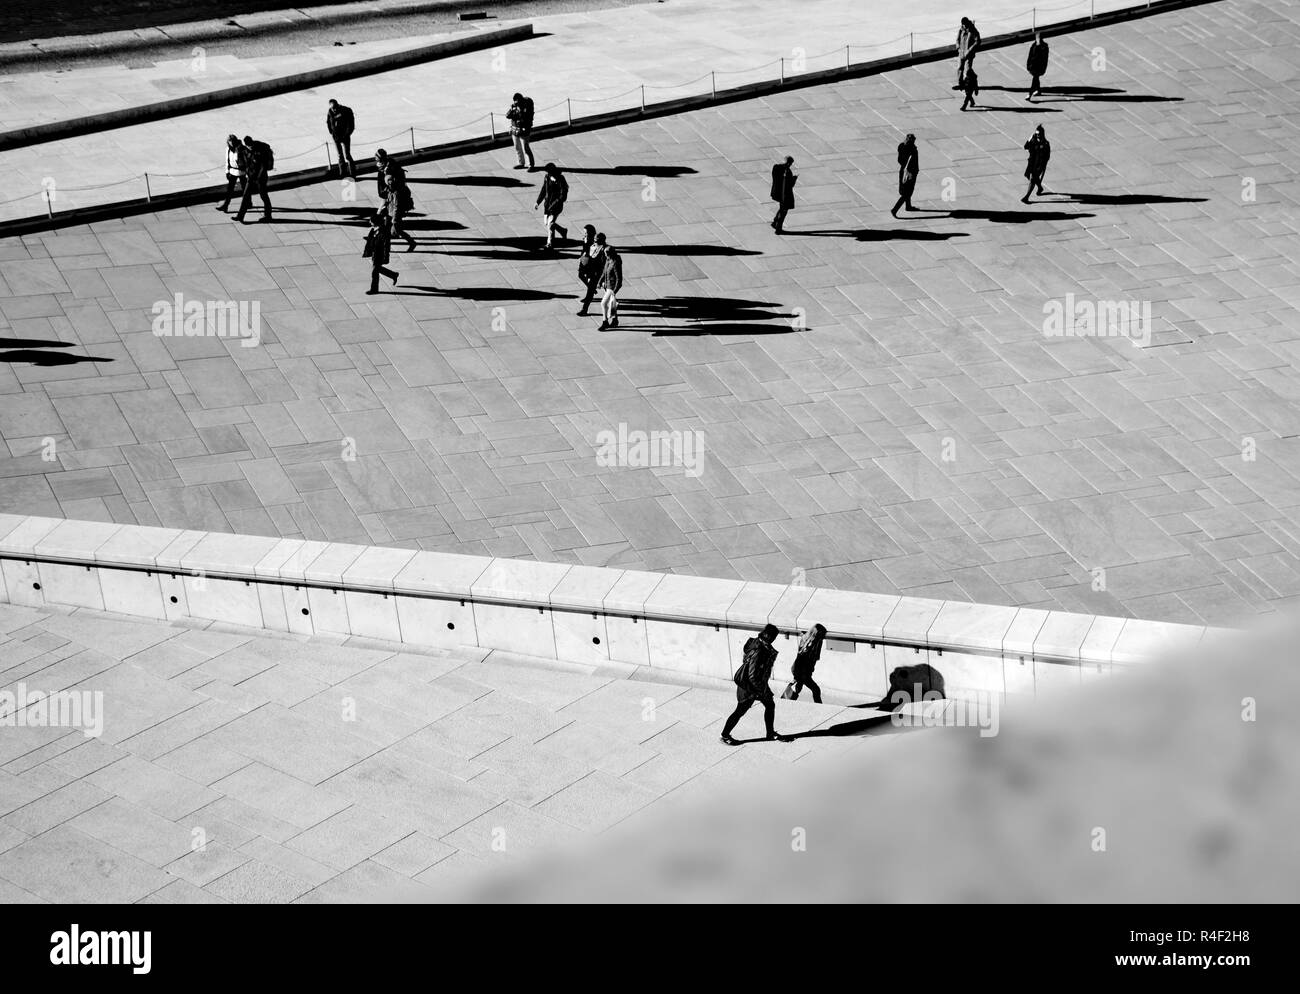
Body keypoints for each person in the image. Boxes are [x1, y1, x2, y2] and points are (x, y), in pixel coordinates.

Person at [721, 623, 789, 745]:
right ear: (768, 635)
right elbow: (752, 675)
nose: (774, 640)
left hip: (757, 684)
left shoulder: (758, 643)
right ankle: (725, 735)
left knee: (770, 705)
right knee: (740, 711)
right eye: (773, 637)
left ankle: (770, 733)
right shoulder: (759, 650)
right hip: (749, 687)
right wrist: (762, 690)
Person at [782, 624, 827, 704]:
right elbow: (802, 660)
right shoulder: (810, 646)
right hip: (803, 673)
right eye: (822, 635)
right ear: (817, 634)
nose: (823, 637)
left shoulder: (808, 642)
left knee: (797, 688)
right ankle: (819, 705)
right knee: (815, 689)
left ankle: (785, 701)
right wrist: (798, 675)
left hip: (801, 671)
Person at [235, 135, 274, 223]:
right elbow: (245, 163)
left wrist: (258, 178)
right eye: (248, 146)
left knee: (263, 196)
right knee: (245, 196)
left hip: (261, 178)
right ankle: (240, 216)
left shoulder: (260, 151)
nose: (250, 147)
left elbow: (263, 167)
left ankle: (268, 216)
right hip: (251, 177)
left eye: (251, 145)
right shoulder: (246, 150)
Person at [534, 163, 570, 249]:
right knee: (547, 223)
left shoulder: (561, 180)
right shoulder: (547, 177)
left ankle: (550, 243)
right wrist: (538, 202)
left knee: (550, 224)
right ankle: (562, 230)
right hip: (547, 204)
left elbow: (563, 196)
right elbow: (543, 190)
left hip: (556, 206)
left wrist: (555, 203)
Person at [363, 212, 399, 295]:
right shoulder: (374, 230)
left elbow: (387, 246)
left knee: (375, 271)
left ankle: (374, 289)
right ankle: (393, 275)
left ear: (375, 222)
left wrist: (386, 257)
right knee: (377, 269)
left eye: (371, 221)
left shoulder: (384, 232)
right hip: (374, 253)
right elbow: (371, 239)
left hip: (380, 254)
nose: (369, 222)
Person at [384, 162, 417, 252]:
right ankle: (387, 245)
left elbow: (397, 207)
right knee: (391, 231)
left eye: (389, 182)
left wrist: (394, 219)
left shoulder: (396, 193)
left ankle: (411, 242)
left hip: (394, 215)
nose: (388, 184)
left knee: (397, 231)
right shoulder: (391, 190)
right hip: (390, 213)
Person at [577, 226, 604, 316]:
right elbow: (587, 253)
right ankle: (591, 294)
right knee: (581, 276)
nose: (584, 234)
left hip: (596, 271)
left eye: (586, 233)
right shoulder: (592, 244)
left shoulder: (602, 249)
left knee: (590, 290)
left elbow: (591, 255)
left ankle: (584, 309)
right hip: (588, 266)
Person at [326, 99, 357, 179]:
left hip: (345, 136)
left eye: (335, 107)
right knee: (340, 156)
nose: (334, 110)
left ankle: (352, 174)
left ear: (338, 105)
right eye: (333, 108)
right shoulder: (330, 112)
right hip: (336, 137)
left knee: (347, 155)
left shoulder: (345, 110)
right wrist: (332, 132)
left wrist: (347, 134)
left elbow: (351, 124)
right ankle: (343, 174)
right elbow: (328, 122)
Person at [891, 134, 919, 217]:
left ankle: (908, 206)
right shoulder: (912, 149)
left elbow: (899, 160)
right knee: (907, 193)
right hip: (910, 173)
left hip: (903, 171)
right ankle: (894, 209)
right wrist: (914, 171)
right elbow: (914, 162)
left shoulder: (901, 146)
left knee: (906, 191)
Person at [216, 134, 245, 212]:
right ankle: (225, 205)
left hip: (242, 172)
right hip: (232, 171)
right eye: (229, 141)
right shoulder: (228, 149)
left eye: (232, 141)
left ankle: (248, 202)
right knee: (229, 190)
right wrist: (227, 171)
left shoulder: (241, 148)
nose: (231, 143)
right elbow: (227, 161)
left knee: (245, 189)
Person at [507, 92, 536, 171]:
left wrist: (519, 110)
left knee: (525, 148)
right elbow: (507, 116)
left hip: (523, 131)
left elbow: (525, 117)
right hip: (515, 130)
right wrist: (511, 109)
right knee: (517, 147)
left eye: (517, 102)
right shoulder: (514, 107)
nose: (516, 104)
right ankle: (521, 163)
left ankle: (530, 164)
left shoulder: (526, 107)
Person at [1022, 125, 1050, 203]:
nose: (1037, 135)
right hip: (1031, 163)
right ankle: (1040, 187)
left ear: (1042, 134)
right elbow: (1025, 147)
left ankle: (1026, 197)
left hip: (1039, 165)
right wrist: (1030, 138)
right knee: (1031, 177)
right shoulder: (1033, 139)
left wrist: (1043, 167)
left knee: (1032, 179)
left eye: (1039, 134)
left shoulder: (1045, 144)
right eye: (1036, 133)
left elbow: (1047, 157)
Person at [597, 242, 622, 331]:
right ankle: (615, 320)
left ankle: (605, 322)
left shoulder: (615, 263)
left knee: (603, 303)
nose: (605, 255)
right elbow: (604, 272)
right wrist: (600, 282)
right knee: (611, 304)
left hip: (611, 287)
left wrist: (614, 291)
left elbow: (619, 279)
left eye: (607, 253)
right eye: (605, 253)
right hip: (607, 285)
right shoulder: (608, 260)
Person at [769, 156, 797, 234]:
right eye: (791, 163)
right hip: (785, 195)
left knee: (782, 208)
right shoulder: (787, 172)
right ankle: (778, 229)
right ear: (789, 163)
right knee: (783, 211)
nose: (791, 165)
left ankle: (775, 222)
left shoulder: (776, 167)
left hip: (777, 193)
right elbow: (789, 185)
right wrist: (794, 179)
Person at [955, 17, 980, 89]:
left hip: (969, 54)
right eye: (963, 25)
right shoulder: (961, 29)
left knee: (968, 70)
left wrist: (970, 50)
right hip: (961, 52)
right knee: (959, 68)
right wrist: (958, 48)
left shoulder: (973, 30)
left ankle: (972, 79)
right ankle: (960, 84)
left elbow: (977, 41)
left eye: (965, 25)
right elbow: (957, 39)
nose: (964, 26)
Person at [1026, 33, 1049, 100]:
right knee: (1036, 78)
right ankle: (1038, 90)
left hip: (1039, 67)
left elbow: (1045, 58)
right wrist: (1028, 64)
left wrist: (1044, 67)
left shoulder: (1044, 46)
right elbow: (1030, 56)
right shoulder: (1033, 45)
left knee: (1035, 79)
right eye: (1037, 37)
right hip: (1033, 66)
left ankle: (1030, 93)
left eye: (1039, 38)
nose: (1038, 39)